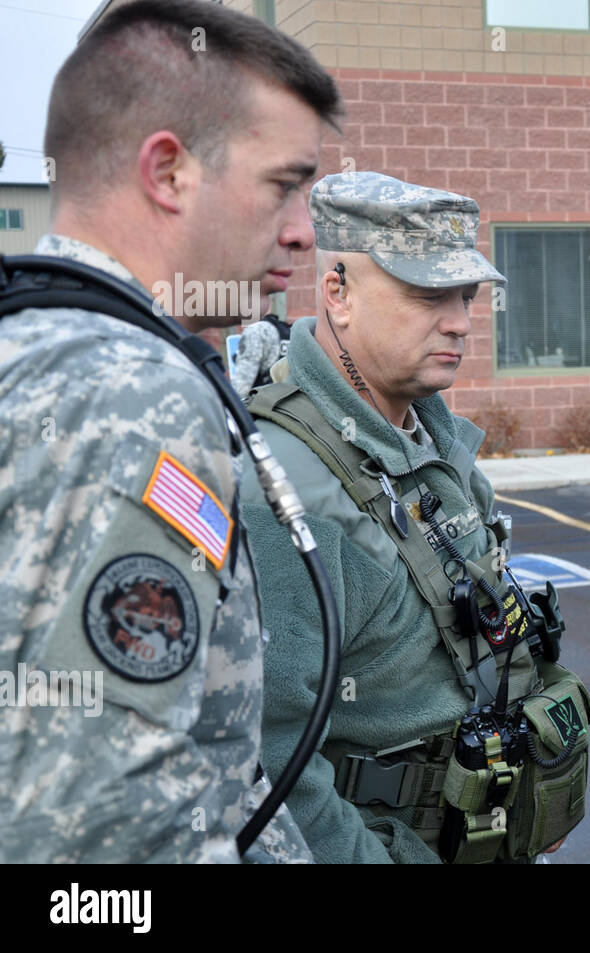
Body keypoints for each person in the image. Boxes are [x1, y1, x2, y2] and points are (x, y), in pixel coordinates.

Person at [0, 0, 341, 862]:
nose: (303, 231)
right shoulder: (131, 392)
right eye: (283, 184)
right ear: (169, 172)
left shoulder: (42, 338)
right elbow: (105, 833)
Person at [241, 172, 590, 863]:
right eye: (428, 295)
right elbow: (267, 762)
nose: (461, 319)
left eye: (466, 295)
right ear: (338, 295)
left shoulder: (433, 442)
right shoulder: (285, 487)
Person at [231, 311, 295, 399]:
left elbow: (242, 385)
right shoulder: (293, 332)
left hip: (265, 404)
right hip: (294, 404)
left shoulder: (256, 330)